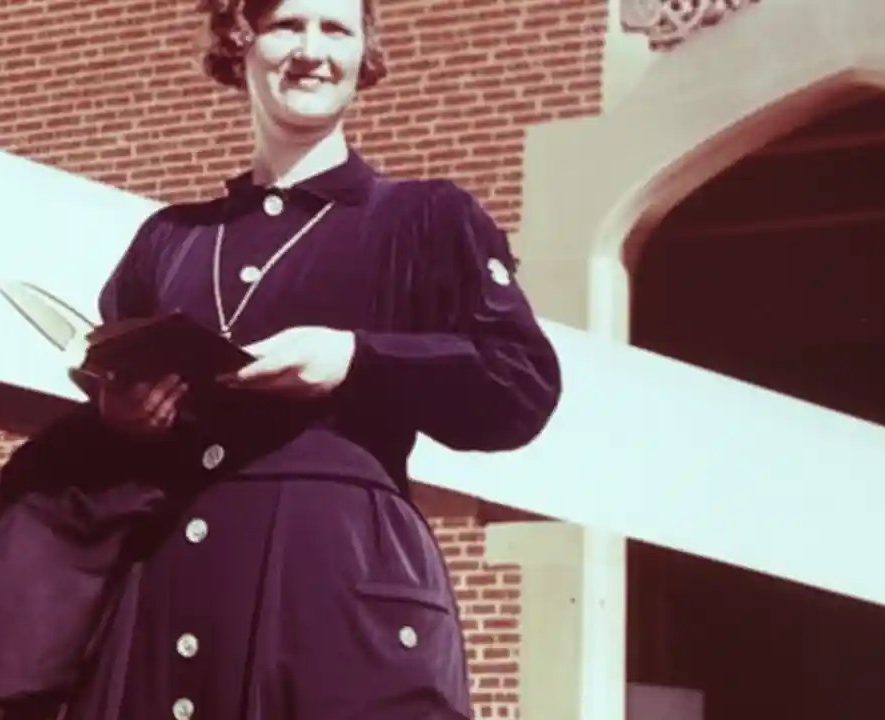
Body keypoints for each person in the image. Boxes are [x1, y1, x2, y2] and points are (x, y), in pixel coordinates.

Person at [71, 0, 563, 717]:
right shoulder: (169, 239)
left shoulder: (426, 218)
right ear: (240, 44)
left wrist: (357, 359)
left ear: (365, 54)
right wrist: (121, 415)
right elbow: (105, 405)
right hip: (167, 594)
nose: (311, 50)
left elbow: (520, 385)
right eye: (286, 25)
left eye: (335, 28)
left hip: (338, 600)